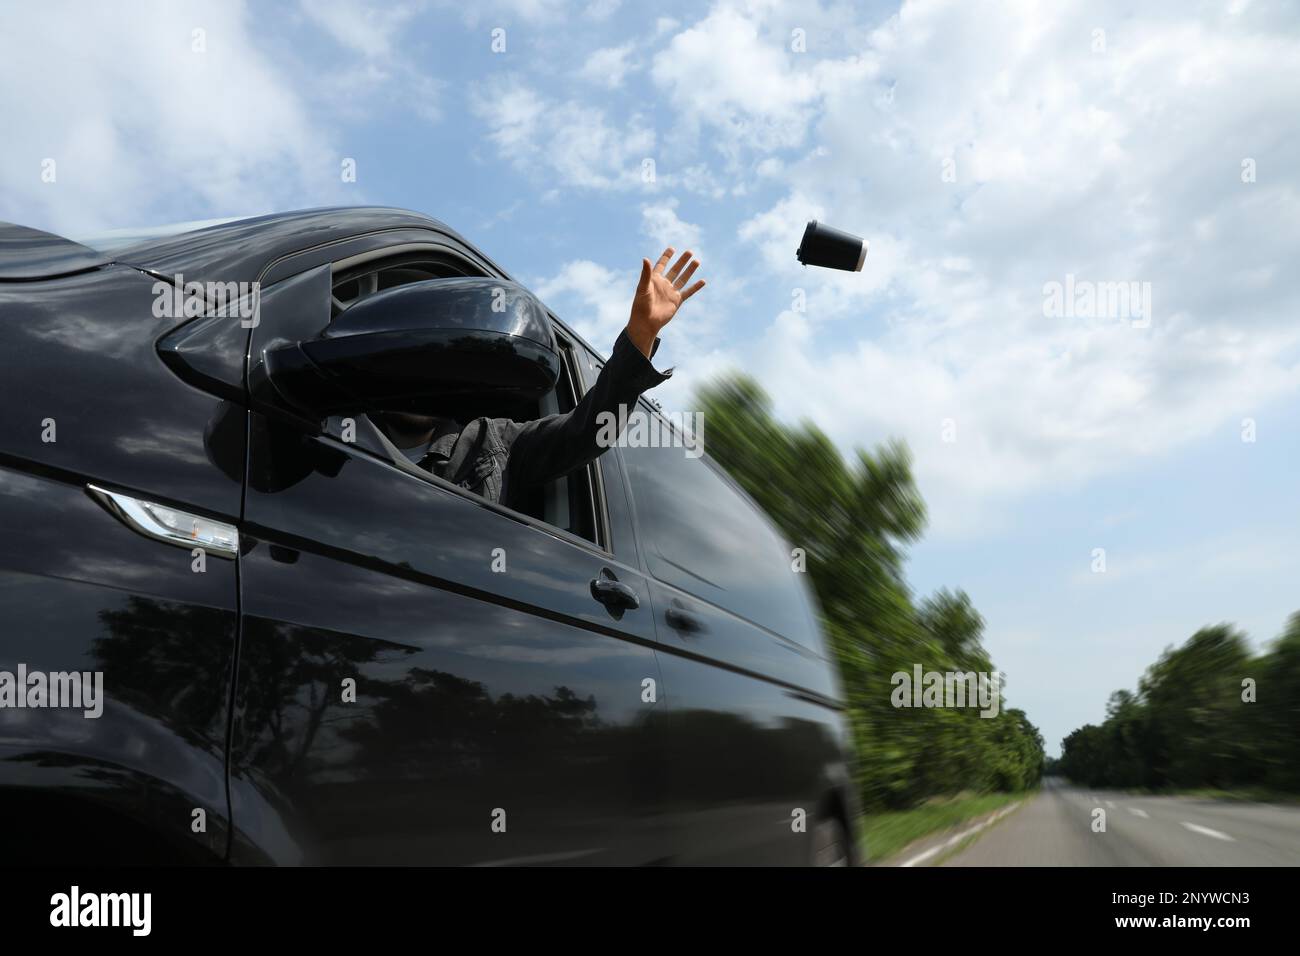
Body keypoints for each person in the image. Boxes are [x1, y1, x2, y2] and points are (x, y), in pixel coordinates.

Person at [374, 247, 705, 508]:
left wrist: (641, 336)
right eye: (409, 356)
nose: (419, 374)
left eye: (434, 361)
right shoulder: (332, 424)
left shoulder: (492, 444)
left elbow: (589, 430)